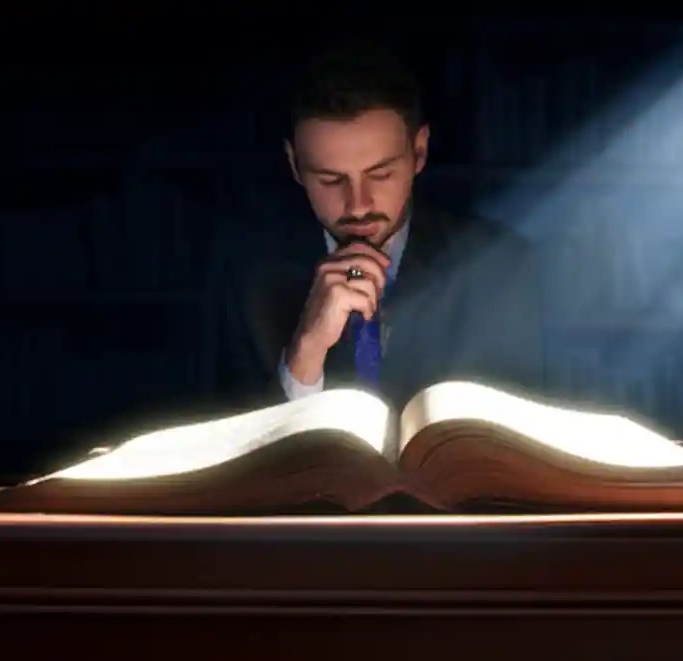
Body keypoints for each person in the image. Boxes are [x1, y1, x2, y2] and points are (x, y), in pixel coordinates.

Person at [225, 40, 545, 410]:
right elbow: (224, 436)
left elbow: (524, 431)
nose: (358, 205)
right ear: (295, 164)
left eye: (380, 175)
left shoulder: (500, 265)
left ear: (419, 152)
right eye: (330, 179)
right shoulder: (248, 275)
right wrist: (306, 352)